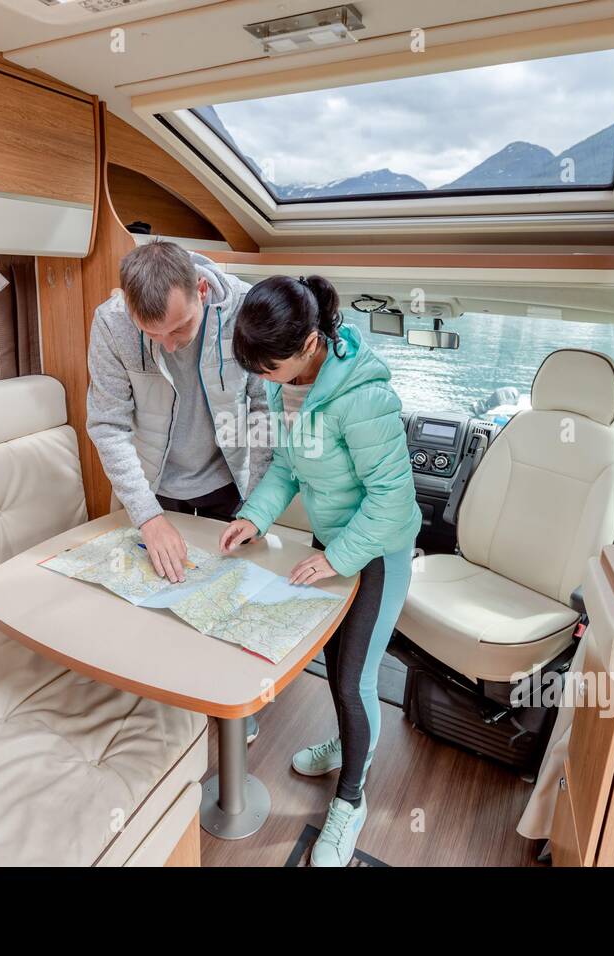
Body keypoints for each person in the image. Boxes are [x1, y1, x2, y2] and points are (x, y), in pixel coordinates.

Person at [219, 275, 420, 867]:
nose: (261, 379)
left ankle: (350, 803)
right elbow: (286, 464)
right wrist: (254, 516)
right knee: (338, 669)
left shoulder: (364, 397)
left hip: (376, 551)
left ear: (309, 342)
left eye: (268, 366)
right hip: (336, 544)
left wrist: (335, 557)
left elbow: (392, 501)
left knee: (354, 680)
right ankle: (344, 744)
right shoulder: (295, 385)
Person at [86, 241, 272, 584]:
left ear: (201, 290)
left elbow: (263, 409)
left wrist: (258, 504)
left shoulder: (247, 308)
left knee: (229, 593)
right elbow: (108, 425)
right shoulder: (111, 323)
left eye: (178, 328)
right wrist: (148, 517)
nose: (168, 345)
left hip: (229, 485)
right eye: (151, 333)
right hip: (151, 488)